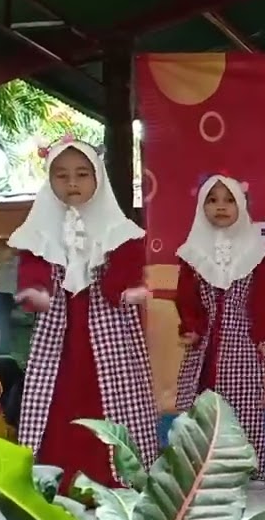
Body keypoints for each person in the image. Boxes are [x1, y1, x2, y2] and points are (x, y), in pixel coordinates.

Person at [9, 135, 160, 491]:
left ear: (98, 178)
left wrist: (127, 289)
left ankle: (117, 475)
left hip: (111, 331)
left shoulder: (118, 229)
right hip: (59, 333)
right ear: (49, 181)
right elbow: (33, 269)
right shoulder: (38, 230)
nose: (72, 182)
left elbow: (127, 267)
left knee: (115, 395)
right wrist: (35, 293)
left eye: (81, 174)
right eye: (61, 175)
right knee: (56, 398)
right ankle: (58, 475)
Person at [174, 174, 265, 483]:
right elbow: (186, 297)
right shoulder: (192, 255)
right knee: (203, 410)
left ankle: (248, 468)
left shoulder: (257, 256)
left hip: (242, 345)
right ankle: (208, 473)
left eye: (229, 200)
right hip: (204, 349)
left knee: (245, 408)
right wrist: (191, 326)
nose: (221, 206)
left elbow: (261, 304)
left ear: (242, 206)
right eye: (212, 200)